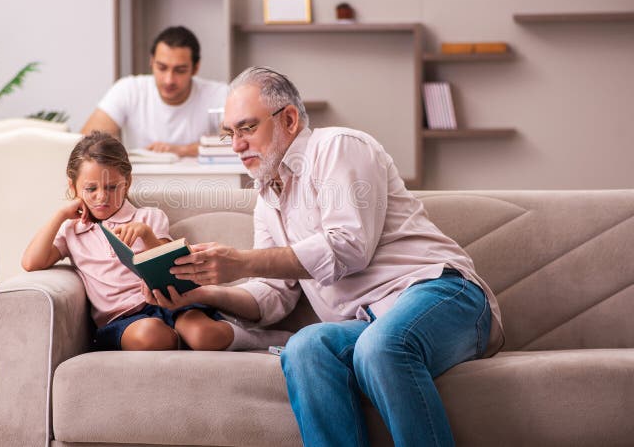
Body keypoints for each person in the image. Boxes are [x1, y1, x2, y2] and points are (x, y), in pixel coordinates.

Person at [147, 66, 506, 446]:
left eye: (247, 128)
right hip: (369, 322)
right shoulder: (266, 200)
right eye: (230, 134)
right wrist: (203, 292)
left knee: (380, 346)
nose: (236, 145)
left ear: (288, 119)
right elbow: (274, 295)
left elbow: (349, 246)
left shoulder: (337, 147)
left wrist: (241, 260)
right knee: (305, 347)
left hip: (442, 294)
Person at [21, 130, 239, 351]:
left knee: (205, 335)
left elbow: (171, 263)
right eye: (91, 189)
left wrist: (146, 235)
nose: (102, 197)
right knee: (152, 336)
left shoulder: (147, 217)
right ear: (73, 187)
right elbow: (31, 262)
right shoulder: (72, 231)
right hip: (123, 320)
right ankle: (176, 339)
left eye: (112, 187)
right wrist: (60, 215)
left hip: (171, 303)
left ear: (127, 183)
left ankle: (255, 337)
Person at [81, 26, 228, 157]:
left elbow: (234, 143)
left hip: (203, 184)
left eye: (180, 70)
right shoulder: (128, 90)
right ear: (151, 62)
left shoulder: (219, 94)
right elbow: (86, 142)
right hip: (139, 184)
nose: (168, 80)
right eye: (162, 68)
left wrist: (182, 150)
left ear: (195, 68)